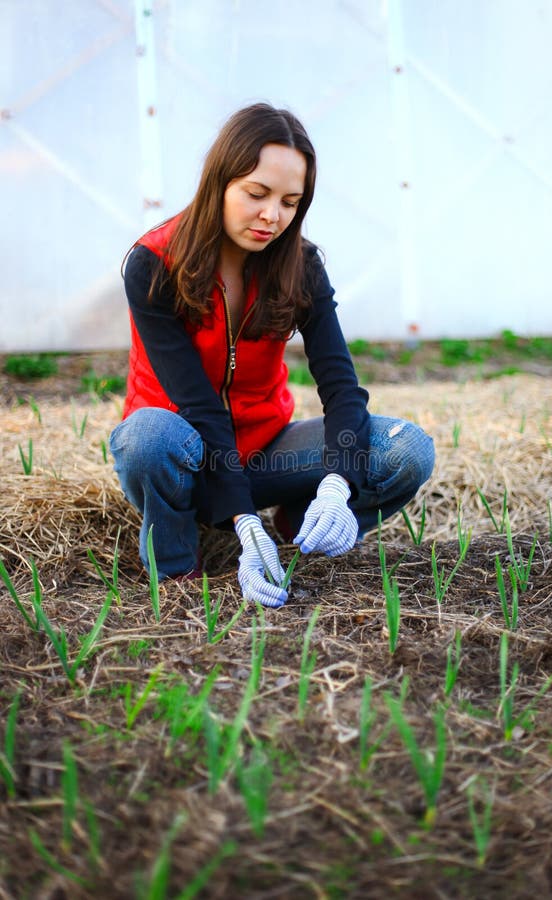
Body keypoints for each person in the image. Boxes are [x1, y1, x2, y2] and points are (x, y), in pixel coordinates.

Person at [110, 103, 434, 609]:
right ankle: (176, 568)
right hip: (183, 460)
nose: (272, 216)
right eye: (256, 194)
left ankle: (299, 524)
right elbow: (196, 404)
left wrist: (336, 481)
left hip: (264, 452)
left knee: (406, 450)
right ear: (219, 181)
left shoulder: (300, 266)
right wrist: (242, 519)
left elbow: (341, 386)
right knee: (147, 436)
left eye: (290, 201)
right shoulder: (154, 264)